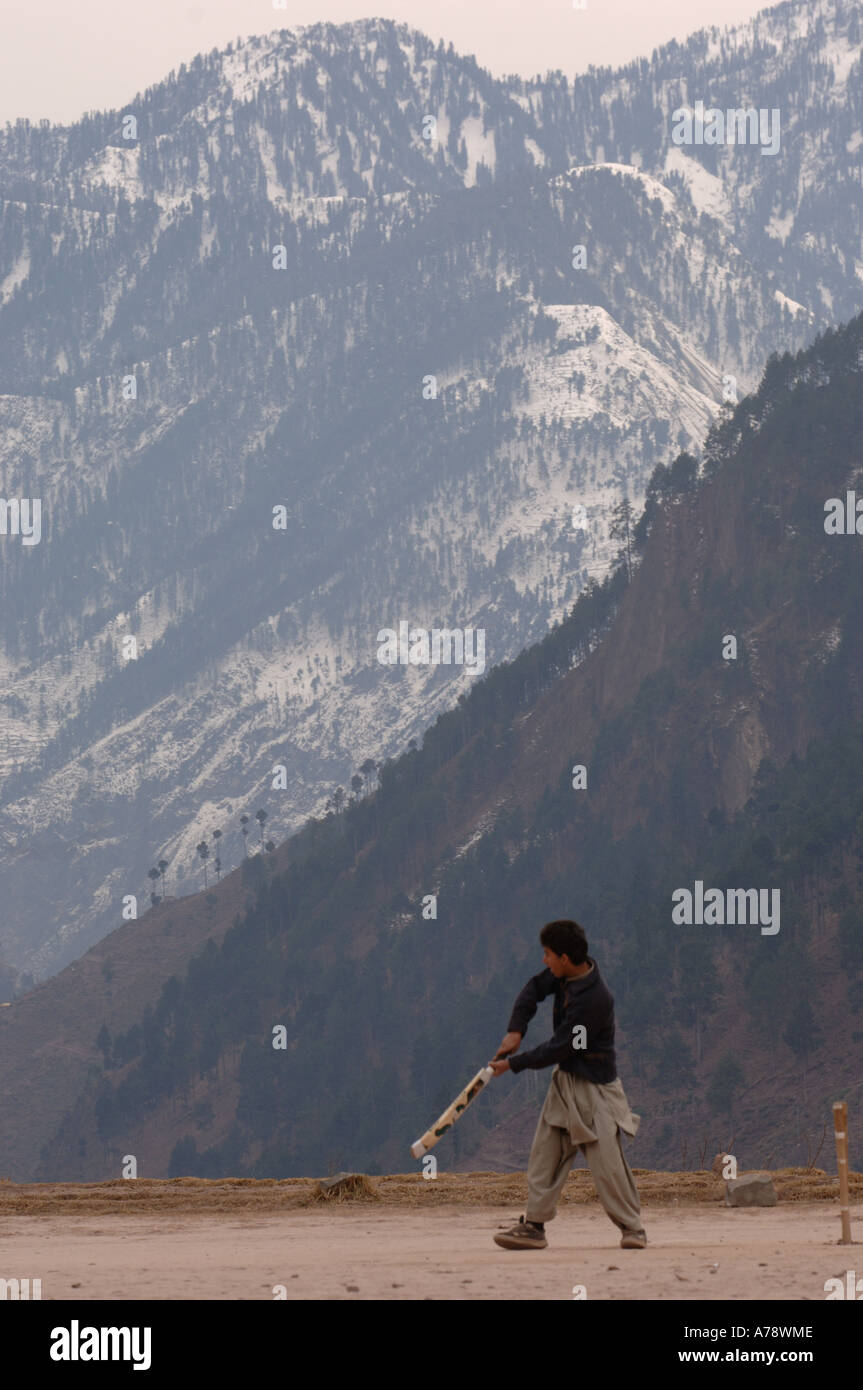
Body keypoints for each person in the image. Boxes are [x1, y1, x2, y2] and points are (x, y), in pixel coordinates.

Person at [489, 918, 646, 1251]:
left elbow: (562, 1046)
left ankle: (633, 1229)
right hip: (565, 1085)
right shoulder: (562, 975)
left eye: (547, 954)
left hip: (596, 1090)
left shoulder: (595, 1000)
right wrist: (516, 1028)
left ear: (564, 957)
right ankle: (533, 1226)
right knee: (544, 1156)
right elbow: (532, 990)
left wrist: (512, 1064)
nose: (544, 961)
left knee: (608, 1166)